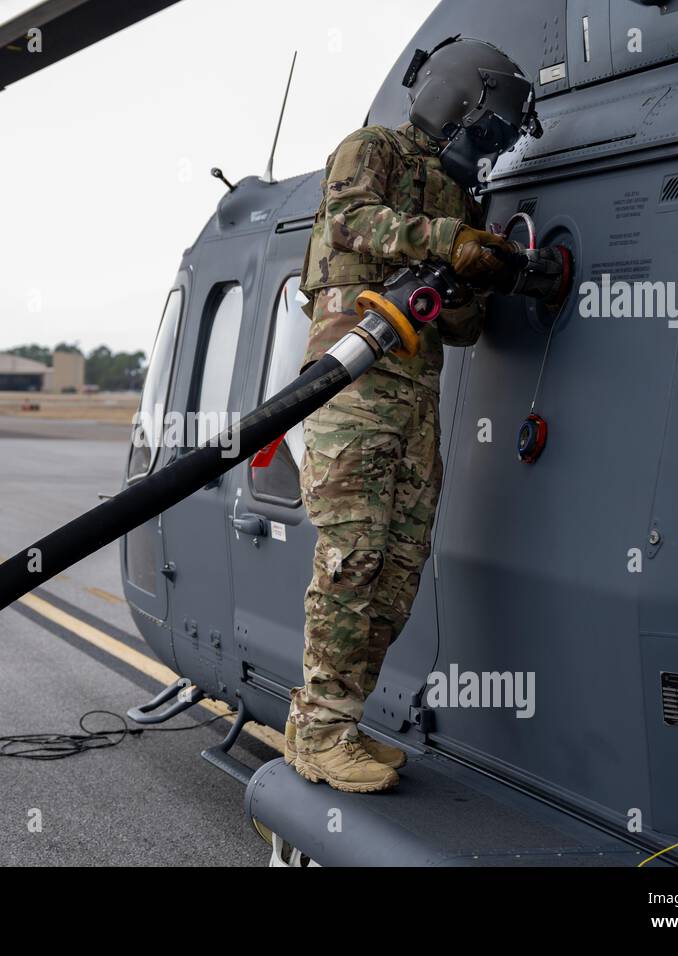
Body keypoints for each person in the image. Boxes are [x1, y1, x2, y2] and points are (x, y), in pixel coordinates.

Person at [284, 37, 542, 792]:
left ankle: (335, 722)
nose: (489, 144)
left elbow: (460, 328)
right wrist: (450, 242)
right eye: (489, 124)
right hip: (352, 386)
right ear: (463, 101)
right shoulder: (372, 150)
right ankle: (321, 730)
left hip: (413, 393)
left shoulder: (459, 198)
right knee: (353, 555)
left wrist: (481, 279)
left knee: (397, 568)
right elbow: (353, 221)